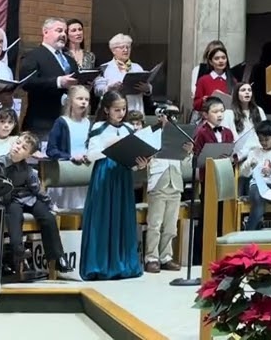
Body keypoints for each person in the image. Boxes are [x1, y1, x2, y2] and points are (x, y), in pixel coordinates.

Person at [0, 131, 73, 279]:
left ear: (28, 155)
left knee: (47, 218)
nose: (18, 148)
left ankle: (58, 257)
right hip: (11, 200)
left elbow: (37, 189)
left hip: (29, 198)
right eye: (18, 143)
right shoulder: (0, 162)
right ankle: (18, 255)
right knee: (15, 218)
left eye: (23, 148)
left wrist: (50, 204)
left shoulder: (28, 170)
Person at [80, 91, 147, 280]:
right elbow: (91, 155)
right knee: (103, 218)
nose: (121, 113)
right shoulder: (99, 127)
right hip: (105, 175)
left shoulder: (128, 128)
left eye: (123, 109)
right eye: (117, 109)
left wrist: (139, 164)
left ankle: (124, 264)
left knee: (122, 218)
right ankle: (99, 265)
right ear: (107, 110)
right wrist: (110, 145)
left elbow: (133, 158)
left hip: (123, 176)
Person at [143, 113, 192, 273]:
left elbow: (186, 163)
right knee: (155, 224)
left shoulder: (179, 136)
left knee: (171, 225)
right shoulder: (151, 135)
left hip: (175, 182)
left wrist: (188, 152)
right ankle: (151, 257)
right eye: (167, 116)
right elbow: (143, 159)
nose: (171, 119)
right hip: (158, 182)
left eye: (174, 117)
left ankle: (166, 257)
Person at [44, 85, 93, 211]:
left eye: (86, 99)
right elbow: (51, 150)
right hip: (67, 173)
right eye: (80, 98)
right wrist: (70, 157)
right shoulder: (62, 122)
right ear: (70, 101)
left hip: (84, 172)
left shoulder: (89, 123)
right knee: (68, 209)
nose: (83, 102)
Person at [192, 46, 232, 112]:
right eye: (217, 58)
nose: (221, 61)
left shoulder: (233, 81)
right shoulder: (203, 80)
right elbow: (196, 105)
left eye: (223, 58)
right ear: (211, 62)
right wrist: (204, 100)